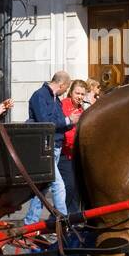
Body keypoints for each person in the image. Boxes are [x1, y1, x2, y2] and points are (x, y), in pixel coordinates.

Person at [24, 71, 75, 225]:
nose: (65, 92)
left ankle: (30, 222)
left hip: (55, 146)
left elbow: (57, 122)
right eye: (65, 89)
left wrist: (71, 122)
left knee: (43, 187)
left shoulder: (55, 99)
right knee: (59, 186)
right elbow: (45, 123)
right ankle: (63, 222)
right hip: (45, 146)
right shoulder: (40, 95)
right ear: (62, 85)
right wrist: (68, 120)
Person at [59, 79, 89, 213]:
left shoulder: (81, 109)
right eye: (77, 93)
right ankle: (59, 216)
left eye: (82, 94)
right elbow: (66, 130)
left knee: (77, 188)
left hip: (76, 153)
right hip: (64, 153)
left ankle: (73, 218)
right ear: (70, 92)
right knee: (69, 186)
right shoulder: (63, 105)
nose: (80, 97)